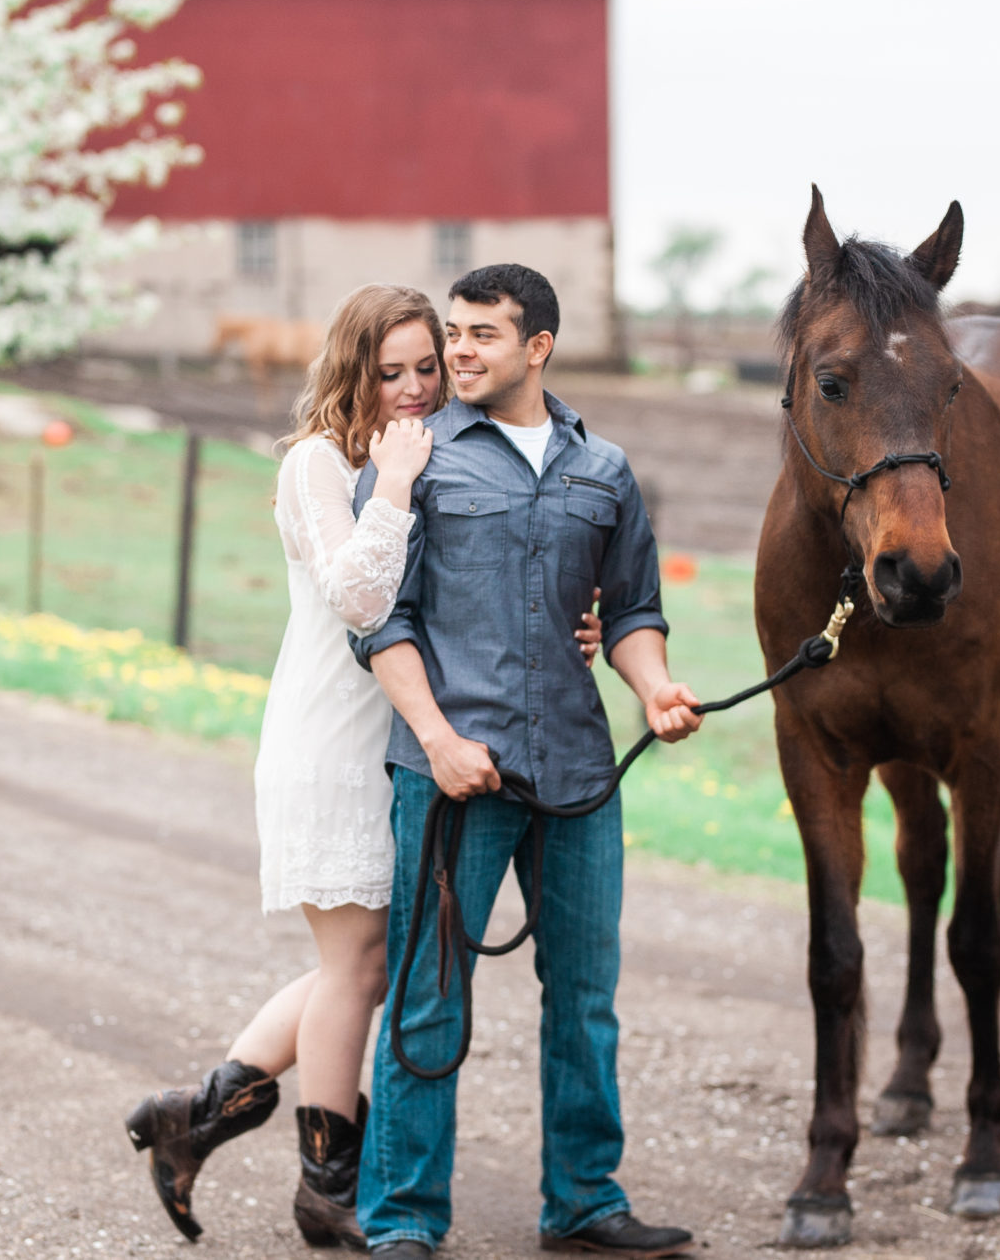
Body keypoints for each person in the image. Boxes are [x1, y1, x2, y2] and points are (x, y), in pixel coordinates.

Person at [125, 283, 605, 1248]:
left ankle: (199, 1112)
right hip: (334, 743)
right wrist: (389, 483)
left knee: (377, 965)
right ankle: (326, 1185)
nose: (415, 387)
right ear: (354, 370)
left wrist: (561, 630)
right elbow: (359, 597)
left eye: (427, 367)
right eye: (390, 372)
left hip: (407, 745)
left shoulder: (437, 450)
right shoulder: (317, 462)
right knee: (363, 965)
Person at [350, 264, 705, 1260]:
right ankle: (403, 1217)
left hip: (579, 776)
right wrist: (437, 740)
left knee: (585, 999)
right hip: (452, 777)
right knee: (428, 995)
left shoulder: (604, 469)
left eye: (482, 335)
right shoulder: (413, 460)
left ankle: (584, 1200)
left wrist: (653, 688)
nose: (456, 351)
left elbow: (631, 609)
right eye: (453, 332)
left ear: (538, 346)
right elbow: (380, 620)